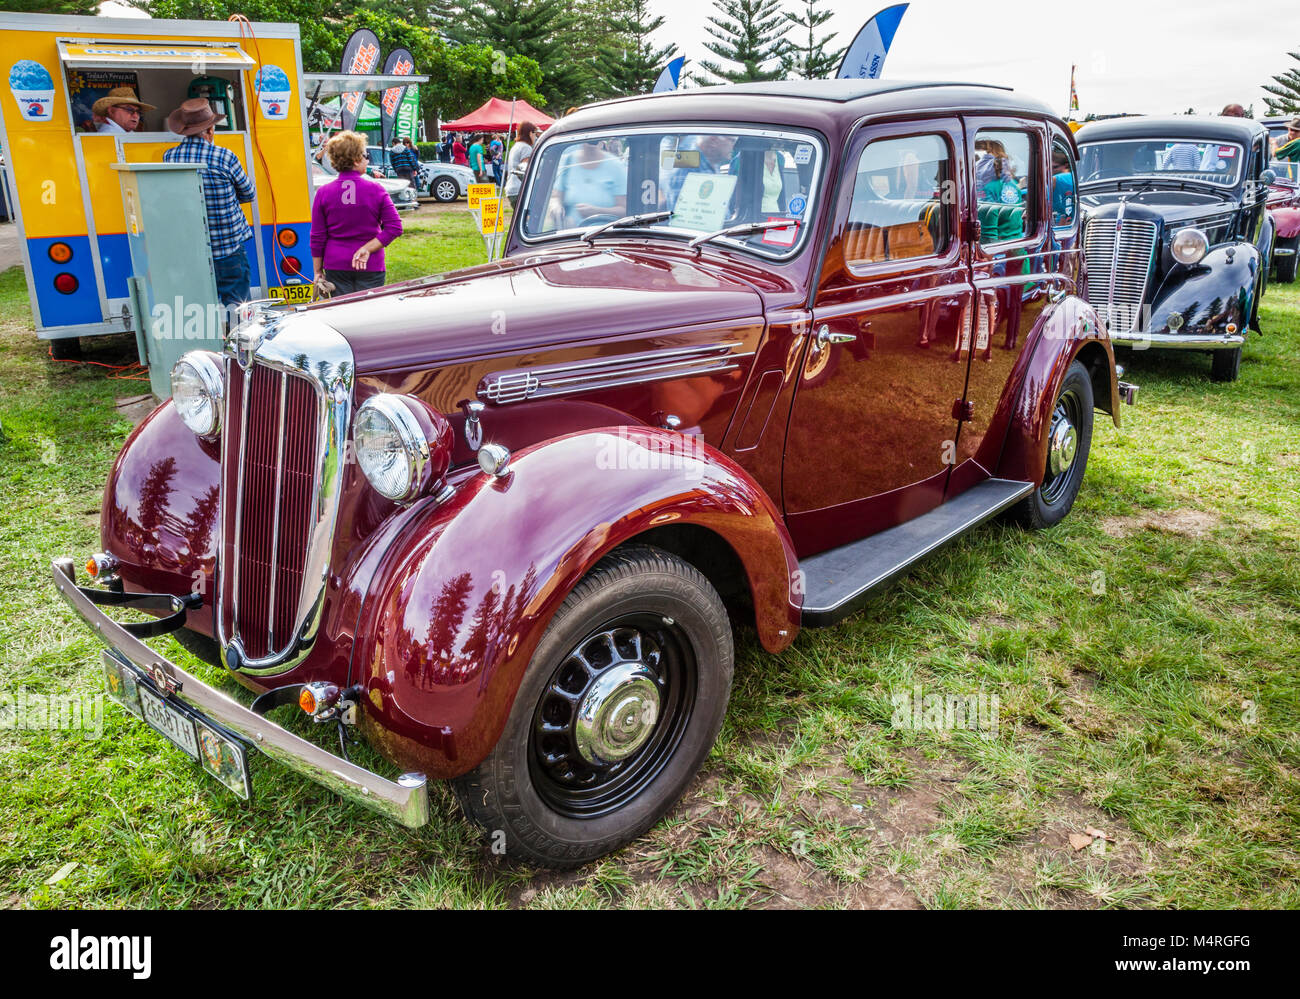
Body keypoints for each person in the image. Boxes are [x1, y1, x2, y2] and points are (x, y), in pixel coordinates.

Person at [162, 98, 255, 307]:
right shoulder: (225, 157)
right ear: (210, 130)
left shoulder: (169, 158)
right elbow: (249, 194)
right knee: (238, 309)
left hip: (191, 252)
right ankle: (236, 339)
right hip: (229, 249)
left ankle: (206, 340)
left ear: (185, 130)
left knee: (199, 309)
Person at [309, 130, 402, 296]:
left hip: (336, 263)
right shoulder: (376, 189)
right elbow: (394, 227)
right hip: (371, 263)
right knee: (370, 315)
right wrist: (367, 248)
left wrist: (317, 271)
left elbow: (317, 236)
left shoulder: (323, 193)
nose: (367, 159)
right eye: (365, 155)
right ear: (356, 158)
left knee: (343, 314)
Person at [554, 140, 626, 227]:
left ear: (601, 142)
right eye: (589, 141)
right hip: (571, 236)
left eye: (595, 142)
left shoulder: (615, 165)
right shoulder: (568, 160)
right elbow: (556, 197)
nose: (591, 145)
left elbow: (624, 210)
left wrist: (596, 211)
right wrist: (557, 209)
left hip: (605, 234)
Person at [505, 121, 539, 209]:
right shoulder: (526, 148)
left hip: (512, 188)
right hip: (520, 189)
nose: (535, 137)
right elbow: (525, 170)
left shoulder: (516, 146)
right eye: (535, 134)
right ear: (530, 133)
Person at [1051, 145, 1075, 226]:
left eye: (1055, 167)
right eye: (1048, 167)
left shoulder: (1060, 179)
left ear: (1066, 166)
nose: (1051, 171)